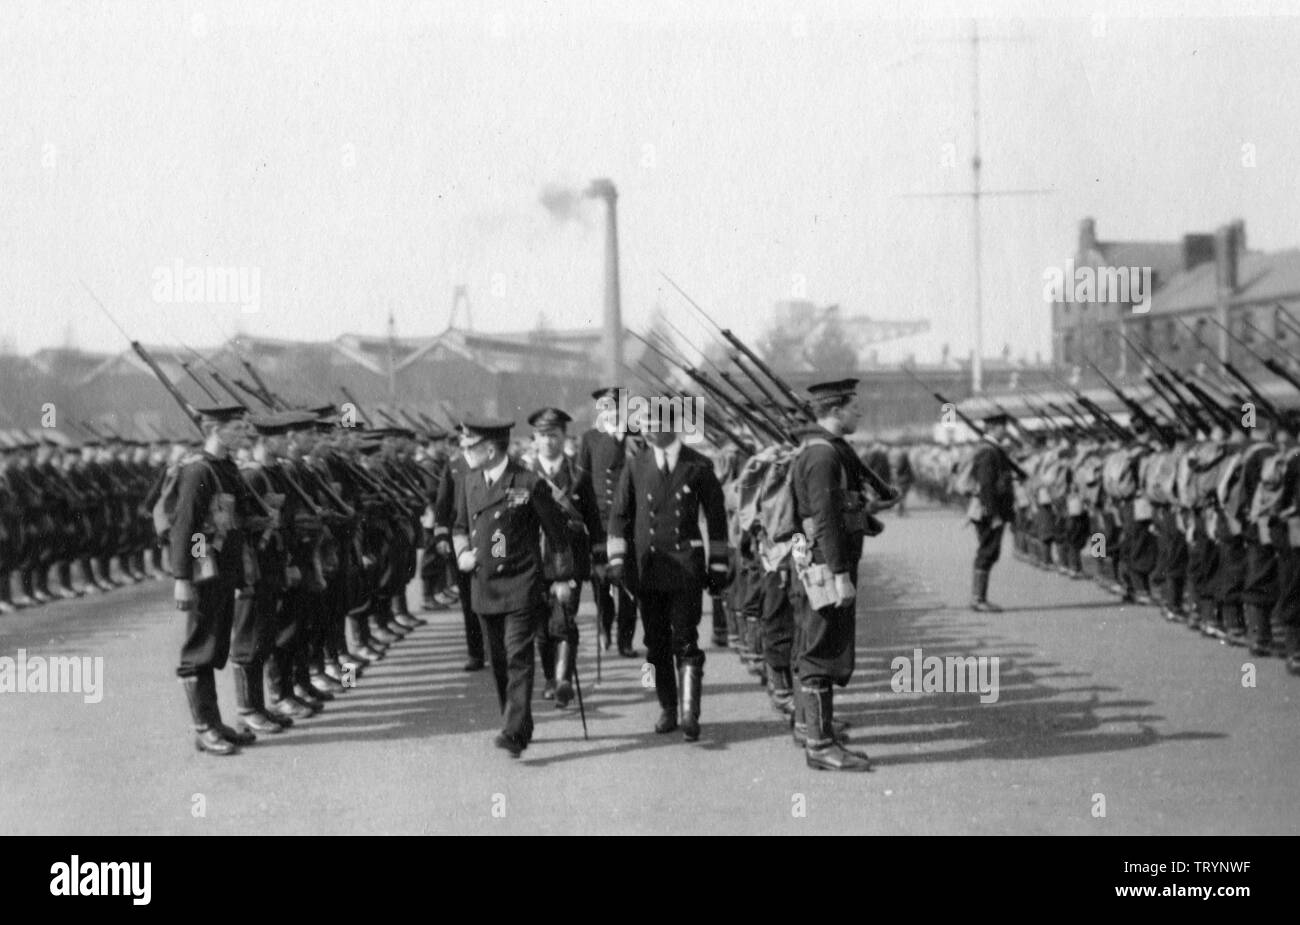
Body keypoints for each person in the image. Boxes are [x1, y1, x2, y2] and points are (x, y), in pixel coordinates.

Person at [452, 417, 575, 757]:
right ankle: (518, 720)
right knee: (500, 662)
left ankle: (514, 730)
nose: (464, 452)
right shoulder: (468, 481)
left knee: (519, 656)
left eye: (469, 447)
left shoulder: (527, 481)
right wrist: (462, 552)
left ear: (490, 449)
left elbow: (557, 533)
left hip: (522, 583)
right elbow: (459, 526)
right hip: (485, 586)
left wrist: (562, 578)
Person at [788, 378, 895, 771]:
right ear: (835, 411)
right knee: (821, 650)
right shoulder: (823, 457)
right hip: (825, 565)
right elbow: (826, 519)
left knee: (817, 643)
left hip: (820, 561)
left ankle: (815, 731)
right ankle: (820, 746)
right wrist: (839, 573)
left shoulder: (825, 451)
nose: (859, 413)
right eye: (853, 407)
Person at [607, 400, 729, 741]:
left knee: (685, 639)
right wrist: (617, 561)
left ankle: (691, 711)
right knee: (655, 643)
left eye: (652, 422)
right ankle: (668, 709)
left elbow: (717, 518)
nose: (645, 428)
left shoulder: (699, 466)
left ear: (673, 425)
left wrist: (718, 563)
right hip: (649, 569)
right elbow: (619, 516)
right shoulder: (635, 466)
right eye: (642, 422)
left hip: (686, 567)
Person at [171, 405, 260, 756]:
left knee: (216, 644)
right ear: (215, 429)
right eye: (237, 428)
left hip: (224, 569)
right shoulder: (198, 470)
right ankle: (203, 728)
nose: (244, 435)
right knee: (200, 647)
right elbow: (186, 527)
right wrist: (189, 574)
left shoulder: (225, 467)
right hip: (206, 571)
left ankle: (216, 721)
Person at [526, 408, 600, 707]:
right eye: (543, 436)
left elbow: (593, 520)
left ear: (564, 437)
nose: (549, 442)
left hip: (570, 560)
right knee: (542, 630)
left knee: (564, 621)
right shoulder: (523, 476)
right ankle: (549, 677)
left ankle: (563, 678)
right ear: (534, 439)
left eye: (554, 435)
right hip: (534, 562)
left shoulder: (579, 476)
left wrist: (600, 556)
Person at [576, 387, 643, 658]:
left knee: (629, 583)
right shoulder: (590, 438)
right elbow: (582, 481)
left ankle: (624, 640)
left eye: (615, 407)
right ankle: (605, 625)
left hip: (629, 520)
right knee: (602, 583)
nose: (610, 412)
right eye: (605, 407)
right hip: (599, 522)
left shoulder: (635, 435)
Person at [967, 412, 1017, 612]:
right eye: (1002, 426)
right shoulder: (989, 451)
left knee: (989, 551)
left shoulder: (990, 449)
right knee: (988, 551)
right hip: (989, 511)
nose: (1005, 430)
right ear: (993, 428)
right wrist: (994, 515)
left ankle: (978, 598)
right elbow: (987, 485)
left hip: (990, 509)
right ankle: (978, 599)